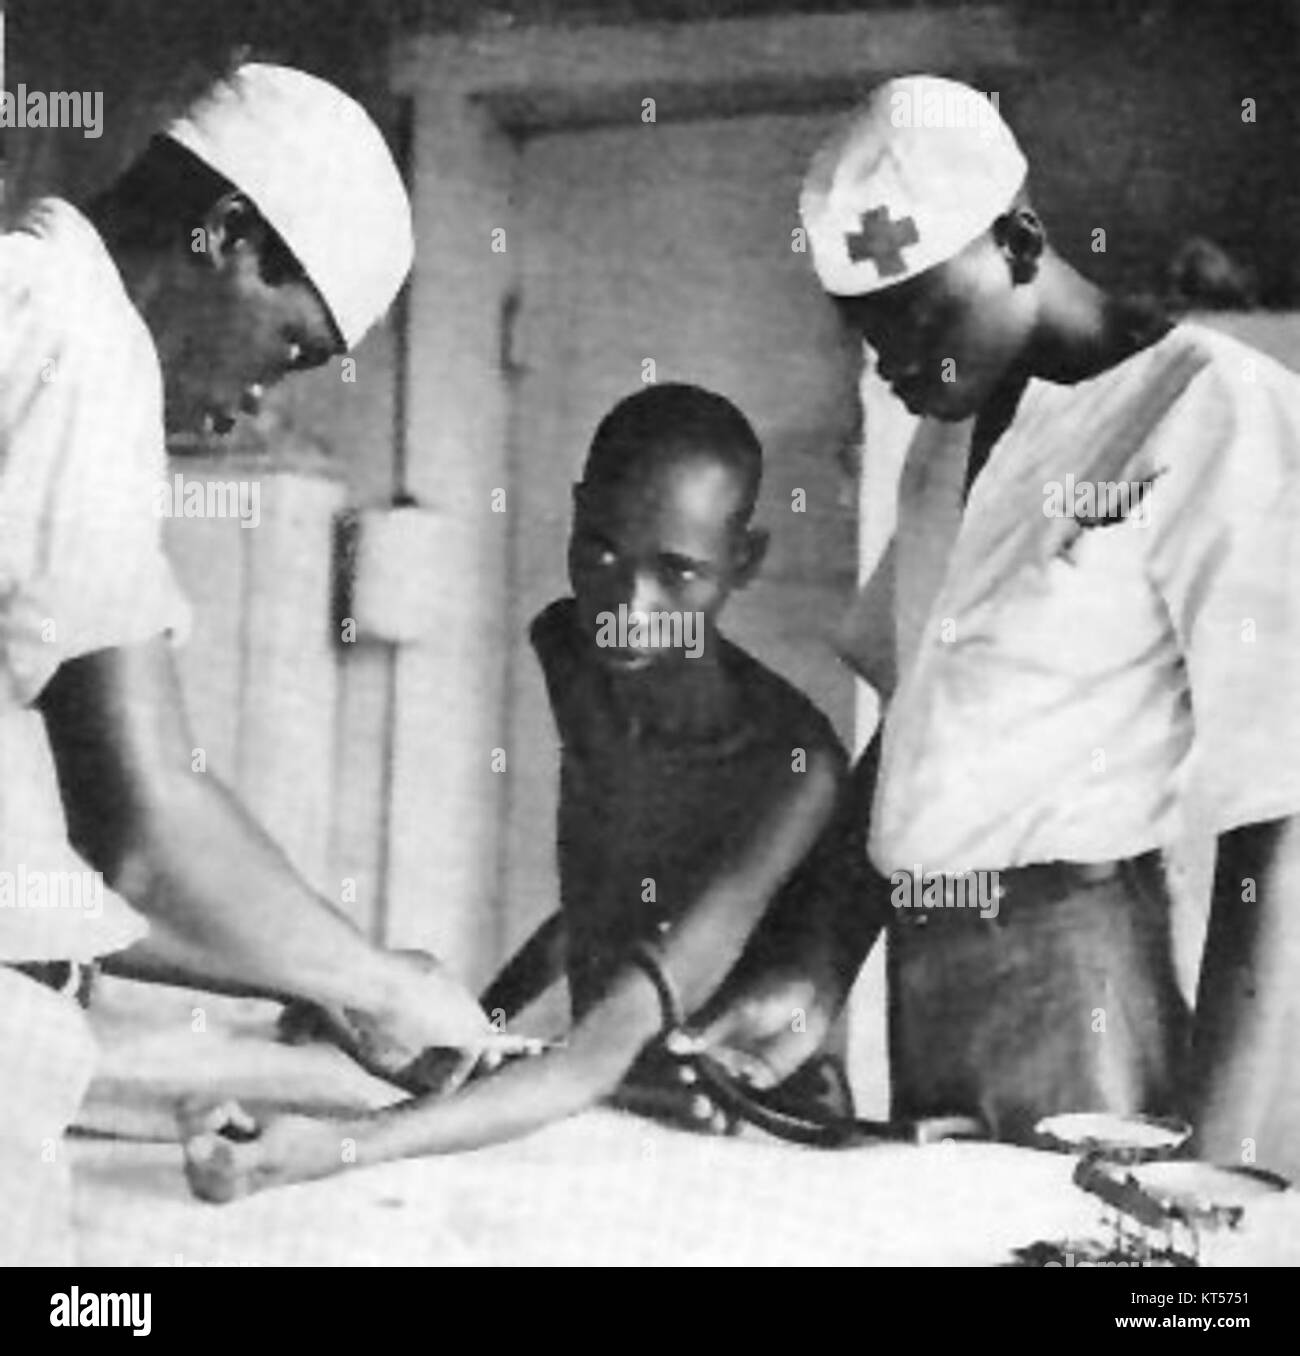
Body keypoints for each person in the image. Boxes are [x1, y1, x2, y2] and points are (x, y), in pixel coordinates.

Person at [0, 63, 491, 1261]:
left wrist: (324, 973)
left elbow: (42, 873)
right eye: (284, 350)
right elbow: (147, 833)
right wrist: (378, 985)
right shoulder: (71, 335)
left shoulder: (26, 297)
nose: (246, 411)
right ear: (226, 237)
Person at [182, 382, 871, 1200]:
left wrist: (337, 1147)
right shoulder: (575, 656)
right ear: (574, 516)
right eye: (600, 553)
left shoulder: (792, 771)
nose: (627, 608)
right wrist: (472, 1023)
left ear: (744, 562)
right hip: (598, 1101)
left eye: (678, 574)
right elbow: (605, 887)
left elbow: (595, 1052)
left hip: (750, 1126)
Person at [798, 74, 1300, 1162]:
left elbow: (1277, 819)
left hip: (1076, 978)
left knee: (1136, 1302)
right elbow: (915, 735)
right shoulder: (952, 435)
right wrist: (804, 979)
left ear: (1020, 240)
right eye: (870, 339)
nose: (896, 372)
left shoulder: (1207, 409)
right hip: (927, 967)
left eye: (921, 322)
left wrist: (1205, 1180)